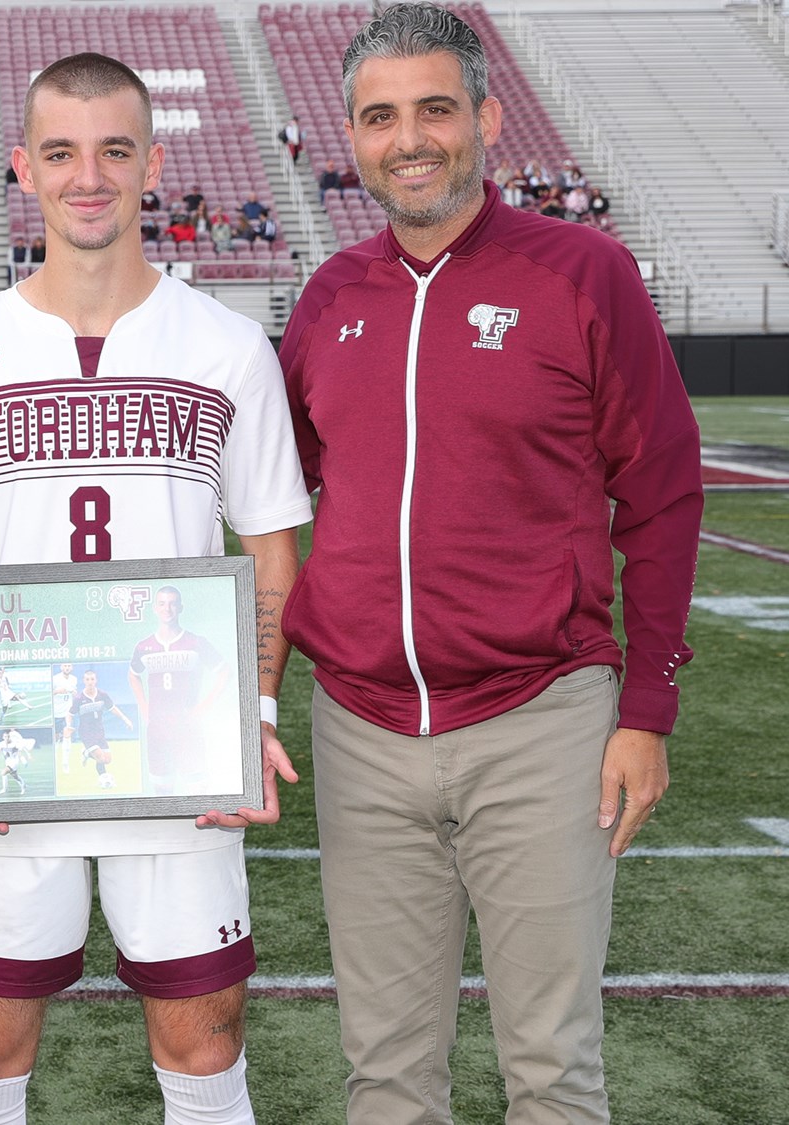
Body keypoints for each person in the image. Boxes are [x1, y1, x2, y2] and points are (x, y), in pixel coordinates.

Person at [278, 7, 702, 1122]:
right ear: (351, 136)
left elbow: (658, 490)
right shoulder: (328, 300)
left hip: (541, 722)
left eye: (432, 109)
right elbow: (283, 501)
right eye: (379, 117)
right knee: (384, 1075)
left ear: (486, 117)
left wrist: (643, 707)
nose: (407, 139)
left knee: (552, 1069)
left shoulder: (582, 273)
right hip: (361, 731)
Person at [0, 52, 312, 1125]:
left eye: (113, 152)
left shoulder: (226, 347)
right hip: (11, 742)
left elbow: (270, 538)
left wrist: (253, 713)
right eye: (60, 152)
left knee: (201, 1034)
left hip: (180, 738)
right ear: (22, 167)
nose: (87, 177)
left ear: (151, 165)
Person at [128, 587, 230, 795]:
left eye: (173, 603)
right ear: (155, 608)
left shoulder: (196, 642)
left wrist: (203, 706)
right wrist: (144, 707)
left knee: (198, 791)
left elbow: (225, 672)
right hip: (157, 730)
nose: (168, 608)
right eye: (163, 604)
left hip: (188, 728)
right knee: (163, 793)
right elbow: (133, 675)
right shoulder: (144, 646)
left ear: (180, 607)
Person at [70, 670, 134, 790]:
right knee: (100, 758)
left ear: (96, 680)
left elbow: (113, 708)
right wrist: (69, 726)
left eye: (92, 679)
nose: (90, 682)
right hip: (86, 732)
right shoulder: (79, 698)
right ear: (84, 681)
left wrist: (125, 719)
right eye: (87, 679)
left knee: (107, 760)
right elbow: (70, 713)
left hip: (99, 731)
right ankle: (105, 782)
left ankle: (86, 752)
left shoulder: (102, 695)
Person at [0, 729, 35, 795]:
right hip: (8, 762)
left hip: (14, 762)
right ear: (3, 737)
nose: (6, 738)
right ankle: (24, 786)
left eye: (8, 737)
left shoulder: (14, 744)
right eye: (5, 737)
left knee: (3, 772)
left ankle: (4, 789)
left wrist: (25, 759)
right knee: (15, 777)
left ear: (9, 737)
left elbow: (20, 752)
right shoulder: (1, 744)